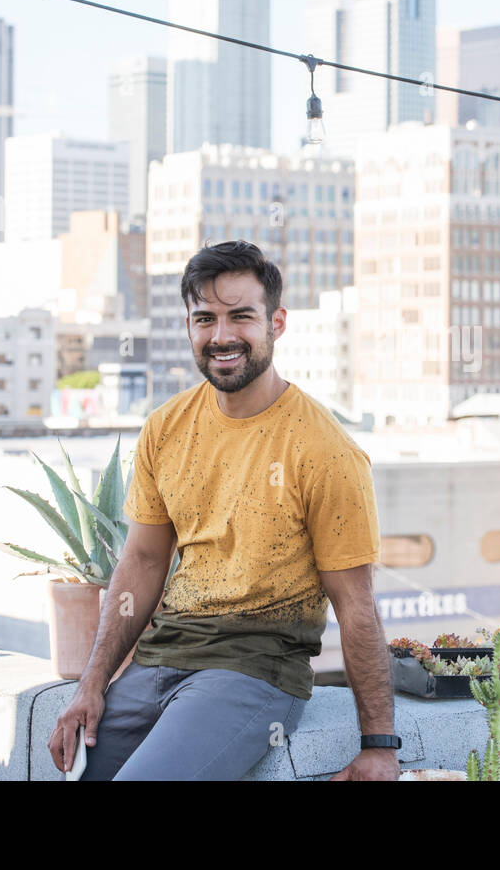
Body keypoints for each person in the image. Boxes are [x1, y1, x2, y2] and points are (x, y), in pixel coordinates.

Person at [47, 240, 400, 780]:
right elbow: (141, 562)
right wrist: (92, 683)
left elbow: (356, 603)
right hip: (158, 661)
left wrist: (379, 744)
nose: (222, 336)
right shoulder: (166, 427)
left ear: (276, 322)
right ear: (188, 326)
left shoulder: (325, 449)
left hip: (252, 670)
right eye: (205, 318)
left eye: (242, 317)